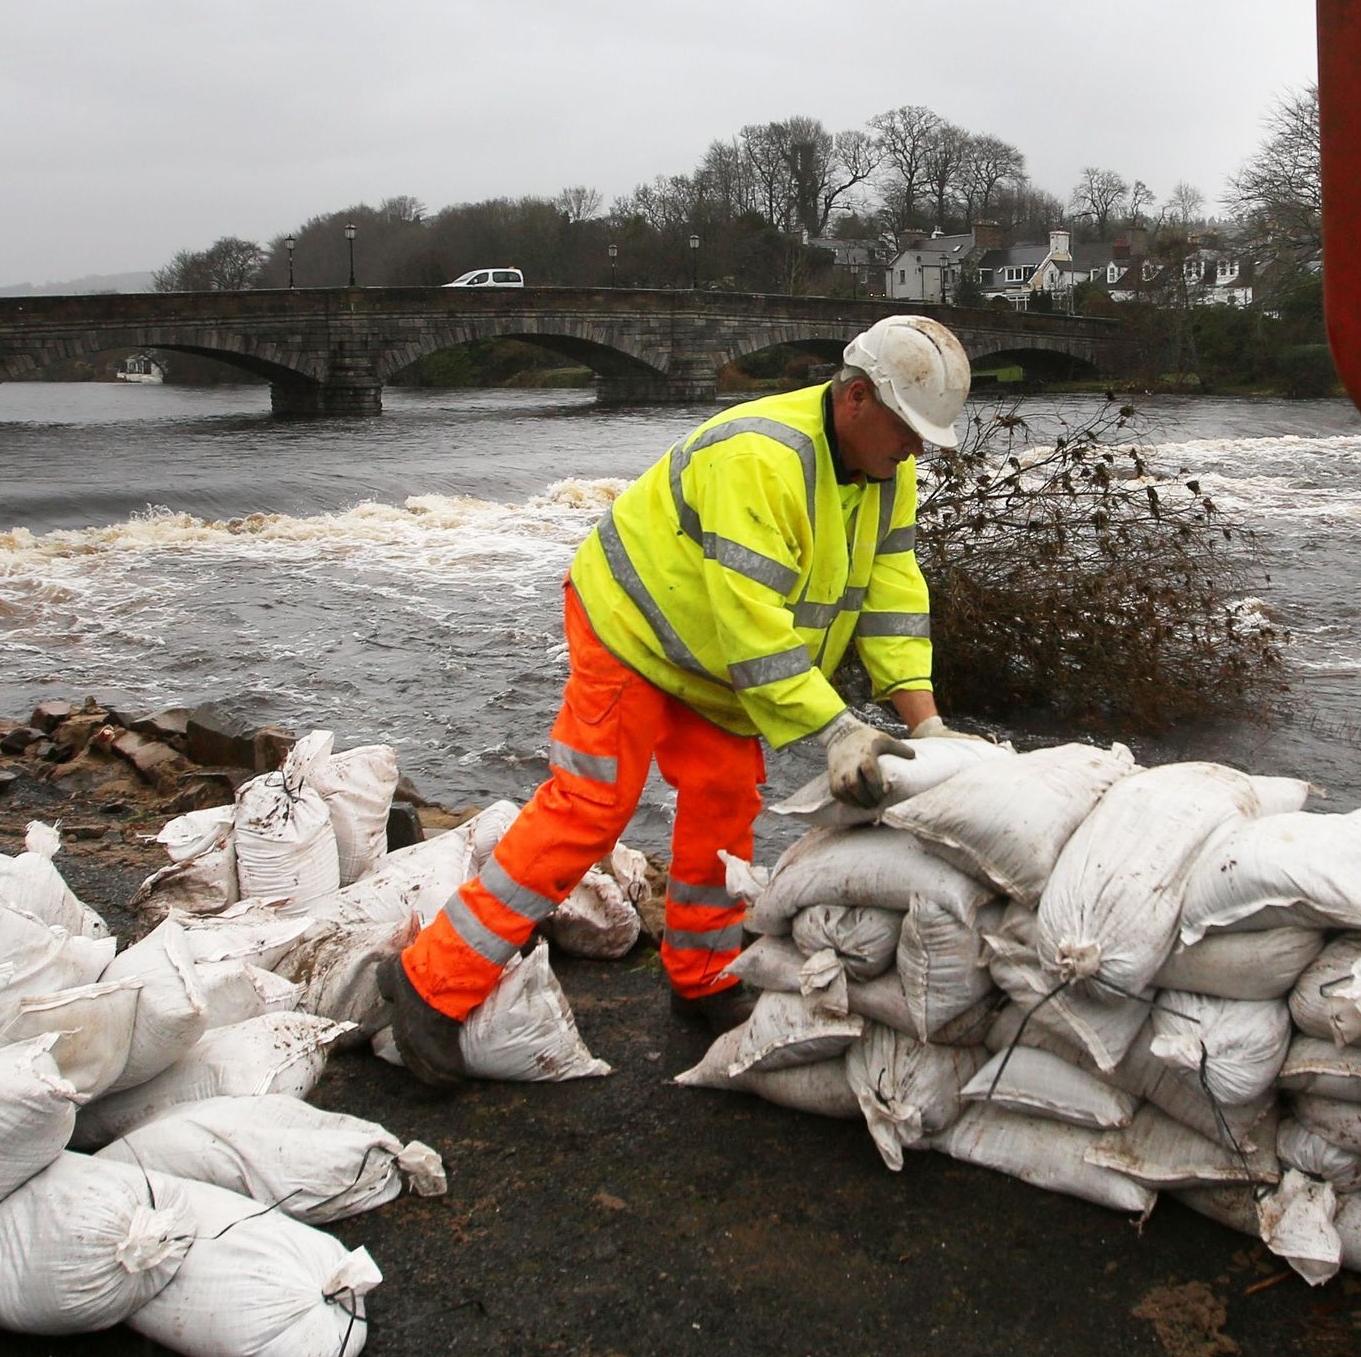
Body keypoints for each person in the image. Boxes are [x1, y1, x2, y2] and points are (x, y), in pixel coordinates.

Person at [375, 314, 979, 1081]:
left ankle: (703, 979)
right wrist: (835, 731)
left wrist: (925, 721)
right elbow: (755, 629)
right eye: (908, 428)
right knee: (590, 804)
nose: (916, 448)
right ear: (855, 397)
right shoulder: (762, 456)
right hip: (635, 629)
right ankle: (428, 981)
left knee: (725, 803)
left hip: (713, 664)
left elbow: (892, 593)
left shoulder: (886, 471)